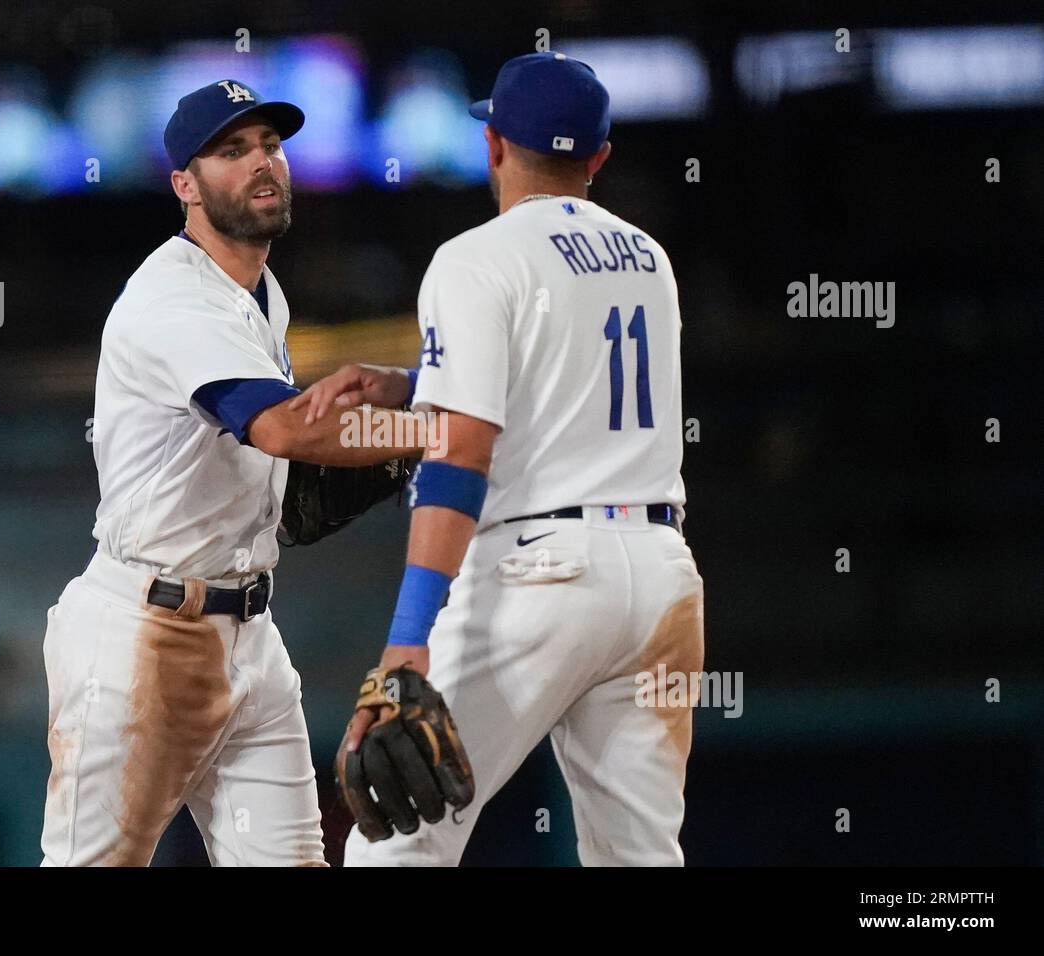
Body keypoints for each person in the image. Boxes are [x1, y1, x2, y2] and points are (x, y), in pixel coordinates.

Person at [297, 52, 705, 866]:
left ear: (493, 146)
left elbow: (460, 452)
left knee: (395, 847)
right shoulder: (649, 259)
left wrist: (406, 640)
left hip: (541, 576)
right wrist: (417, 383)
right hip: (661, 579)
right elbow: (568, 386)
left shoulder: (475, 257)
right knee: (640, 858)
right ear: (598, 159)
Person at [39, 78, 422, 866]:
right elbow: (283, 428)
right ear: (185, 184)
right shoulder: (173, 298)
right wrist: (435, 428)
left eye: (271, 145)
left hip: (248, 633)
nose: (262, 163)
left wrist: (401, 433)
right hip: (146, 636)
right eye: (231, 150)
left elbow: (282, 488)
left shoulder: (259, 295)